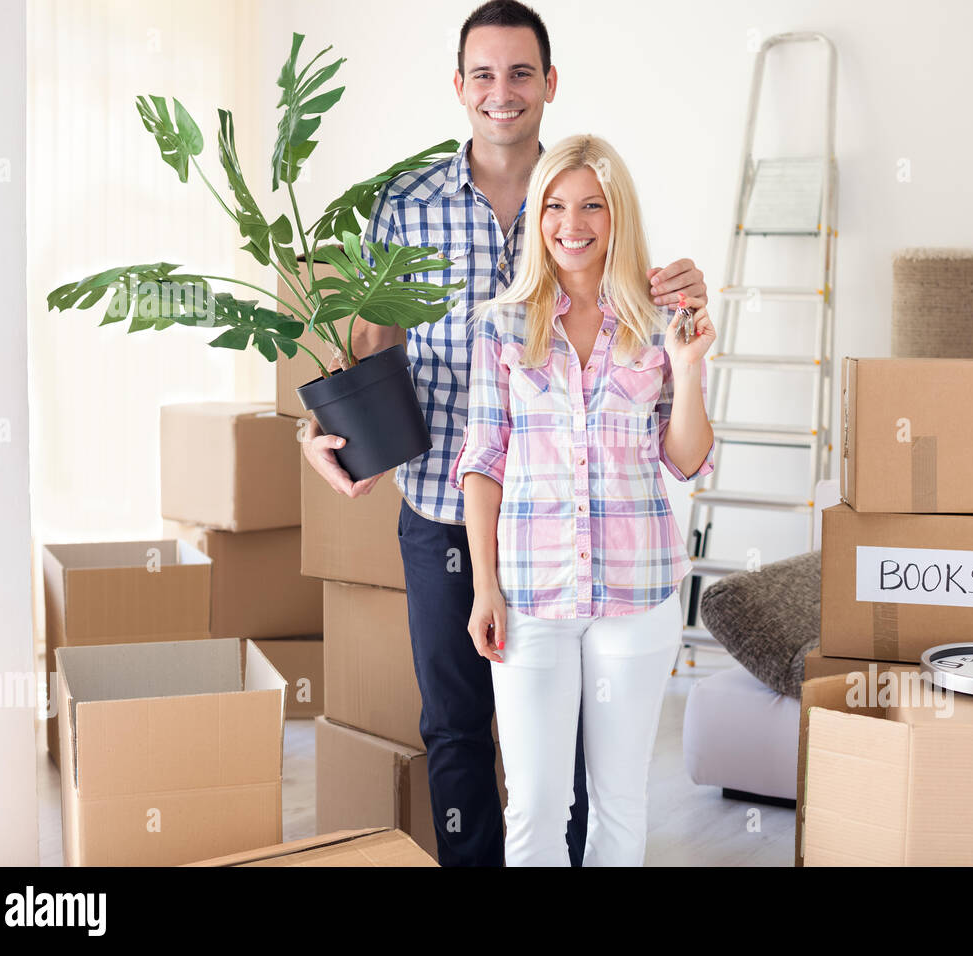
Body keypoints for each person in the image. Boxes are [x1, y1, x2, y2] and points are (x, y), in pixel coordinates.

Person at [300, 0, 708, 867]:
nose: (502, 92)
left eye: (521, 72)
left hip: (573, 526)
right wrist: (325, 427)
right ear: (459, 86)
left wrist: (691, 300)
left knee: (571, 758)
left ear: (549, 83)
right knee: (454, 728)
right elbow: (370, 346)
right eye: (483, 74)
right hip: (447, 506)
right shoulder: (406, 207)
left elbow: (643, 337)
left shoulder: (581, 204)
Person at [451, 134, 716, 866]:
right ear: (538, 218)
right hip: (532, 596)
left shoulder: (662, 323)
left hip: (638, 596)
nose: (574, 223)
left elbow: (686, 457)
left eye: (592, 205)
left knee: (620, 802)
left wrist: (688, 369)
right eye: (557, 206)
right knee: (536, 804)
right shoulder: (500, 325)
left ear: (616, 215)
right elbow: (484, 460)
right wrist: (484, 586)